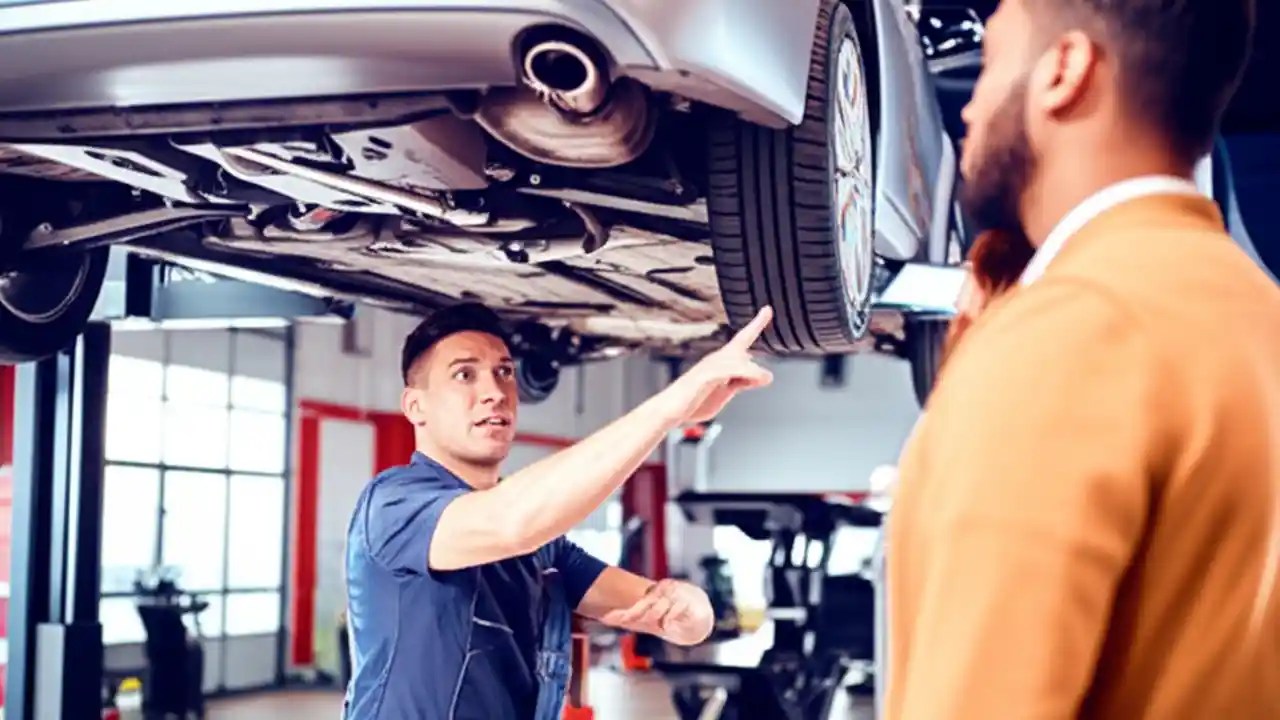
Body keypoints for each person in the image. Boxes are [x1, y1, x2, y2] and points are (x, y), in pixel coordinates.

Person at [885, 1, 1280, 718]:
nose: (968, 109)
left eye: (992, 63)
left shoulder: (1074, 331)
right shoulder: (1258, 319)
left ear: (1065, 71)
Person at [342, 301, 776, 719]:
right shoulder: (394, 505)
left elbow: (674, 618)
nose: (494, 392)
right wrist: (670, 407)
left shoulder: (543, 549)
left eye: (504, 372)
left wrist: (691, 607)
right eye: (464, 375)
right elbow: (511, 522)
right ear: (416, 406)